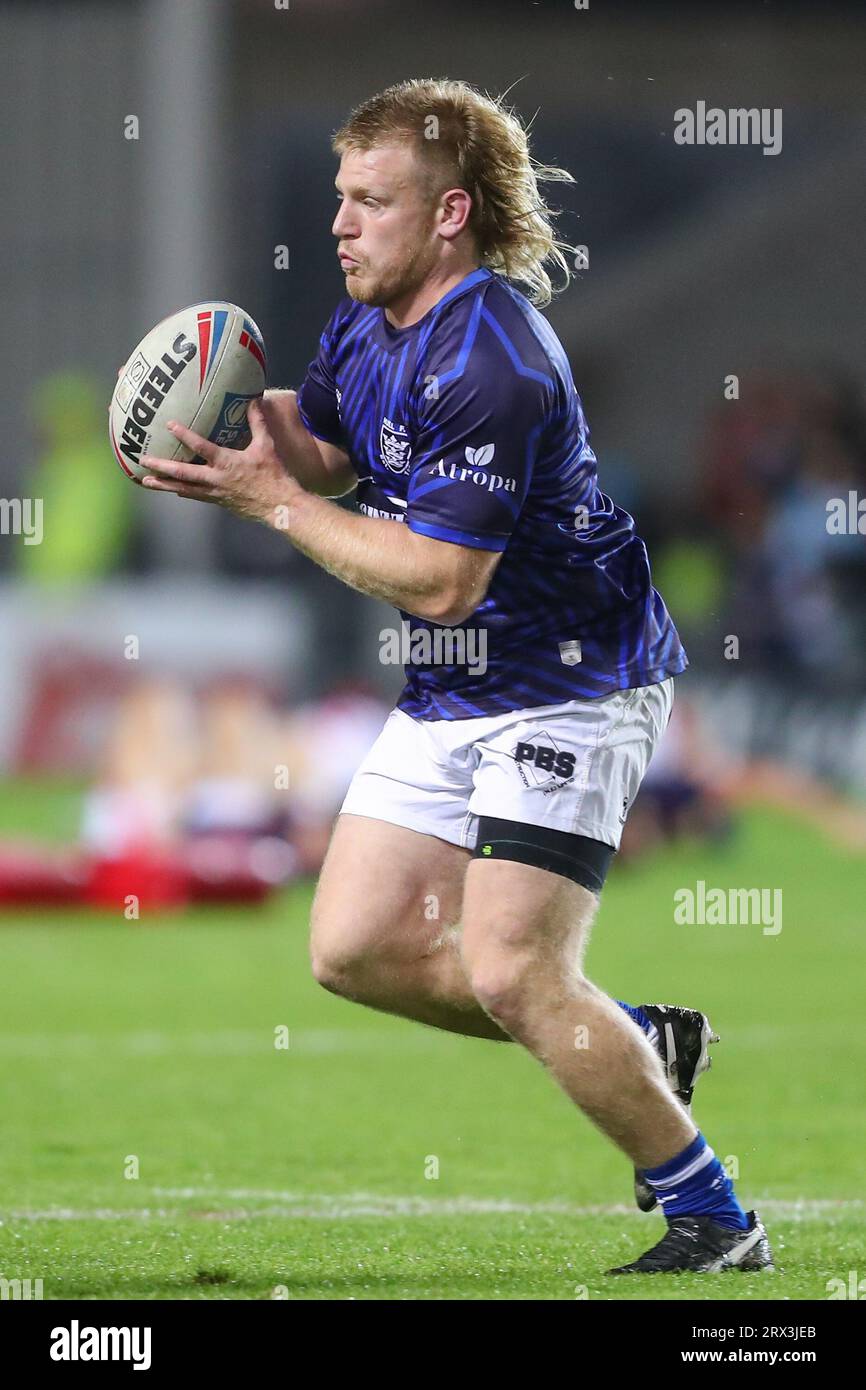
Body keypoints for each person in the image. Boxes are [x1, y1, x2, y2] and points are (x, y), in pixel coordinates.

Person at [140, 78, 771, 1274]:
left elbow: (439, 581)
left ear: (449, 214)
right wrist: (235, 426)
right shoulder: (365, 323)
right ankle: (636, 1041)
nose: (339, 223)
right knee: (354, 949)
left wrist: (267, 502)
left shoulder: (492, 359)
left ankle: (717, 1223)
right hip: (455, 691)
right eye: (338, 197)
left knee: (509, 969)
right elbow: (327, 447)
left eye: (369, 201)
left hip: (571, 683)